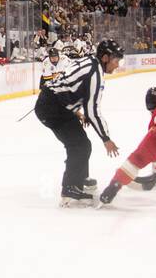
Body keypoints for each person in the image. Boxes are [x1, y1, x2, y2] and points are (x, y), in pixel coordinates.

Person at [34, 38, 123, 207]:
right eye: (116, 60)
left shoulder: (89, 61)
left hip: (54, 104)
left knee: (81, 144)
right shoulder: (95, 73)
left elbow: (67, 85)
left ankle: (80, 179)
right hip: (52, 108)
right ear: (105, 58)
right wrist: (106, 138)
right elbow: (93, 110)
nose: (117, 65)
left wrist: (75, 111)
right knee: (79, 146)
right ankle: (69, 188)